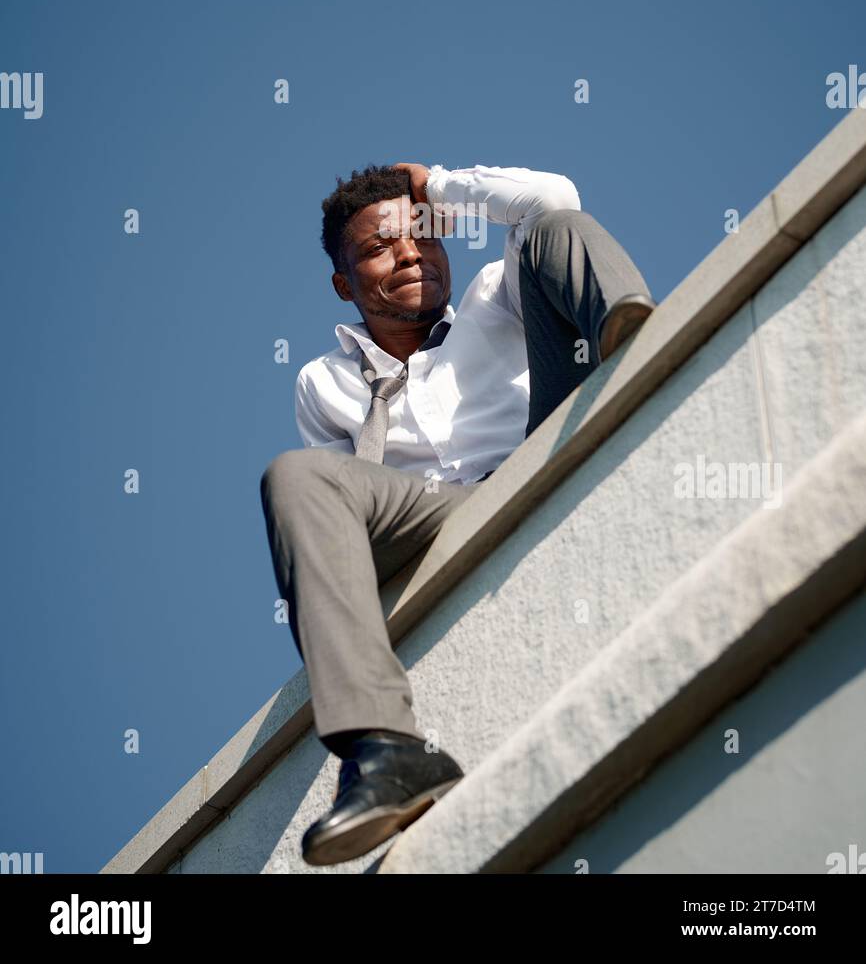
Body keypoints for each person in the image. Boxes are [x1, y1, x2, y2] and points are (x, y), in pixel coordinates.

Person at [259, 161, 655, 865]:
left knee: (556, 229)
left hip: (537, 454)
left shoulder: (492, 299)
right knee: (296, 477)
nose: (409, 252)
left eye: (422, 237)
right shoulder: (323, 381)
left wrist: (439, 185)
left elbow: (553, 200)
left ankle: (639, 353)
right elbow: (335, 514)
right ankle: (383, 753)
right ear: (344, 285)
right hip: (426, 518)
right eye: (381, 246)